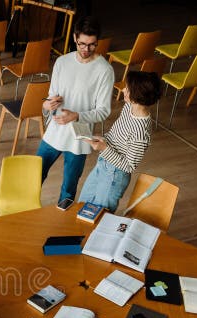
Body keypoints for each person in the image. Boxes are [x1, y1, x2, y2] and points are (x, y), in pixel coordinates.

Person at [38, 16, 115, 205]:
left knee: (68, 189)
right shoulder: (62, 62)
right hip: (54, 132)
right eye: (82, 44)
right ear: (74, 38)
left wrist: (77, 116)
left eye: (92, 45)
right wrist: (46, 105)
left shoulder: (105, 71)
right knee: (33, 177)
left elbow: (104, 111)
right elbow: (51, 96)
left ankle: (63, 229)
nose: (86, 50)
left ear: (97, 42)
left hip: (79, 138)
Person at [77, 71, 162, 211]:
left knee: (98, 215)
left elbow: (129, 166)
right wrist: (103, 139)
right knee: (81, 206)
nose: (123, 90)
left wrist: (104, 148)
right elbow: (117, 134)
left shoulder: (140, 132)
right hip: (102, 164)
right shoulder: (129, 107)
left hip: (114, 176)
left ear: (137, 95)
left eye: (127, 89)